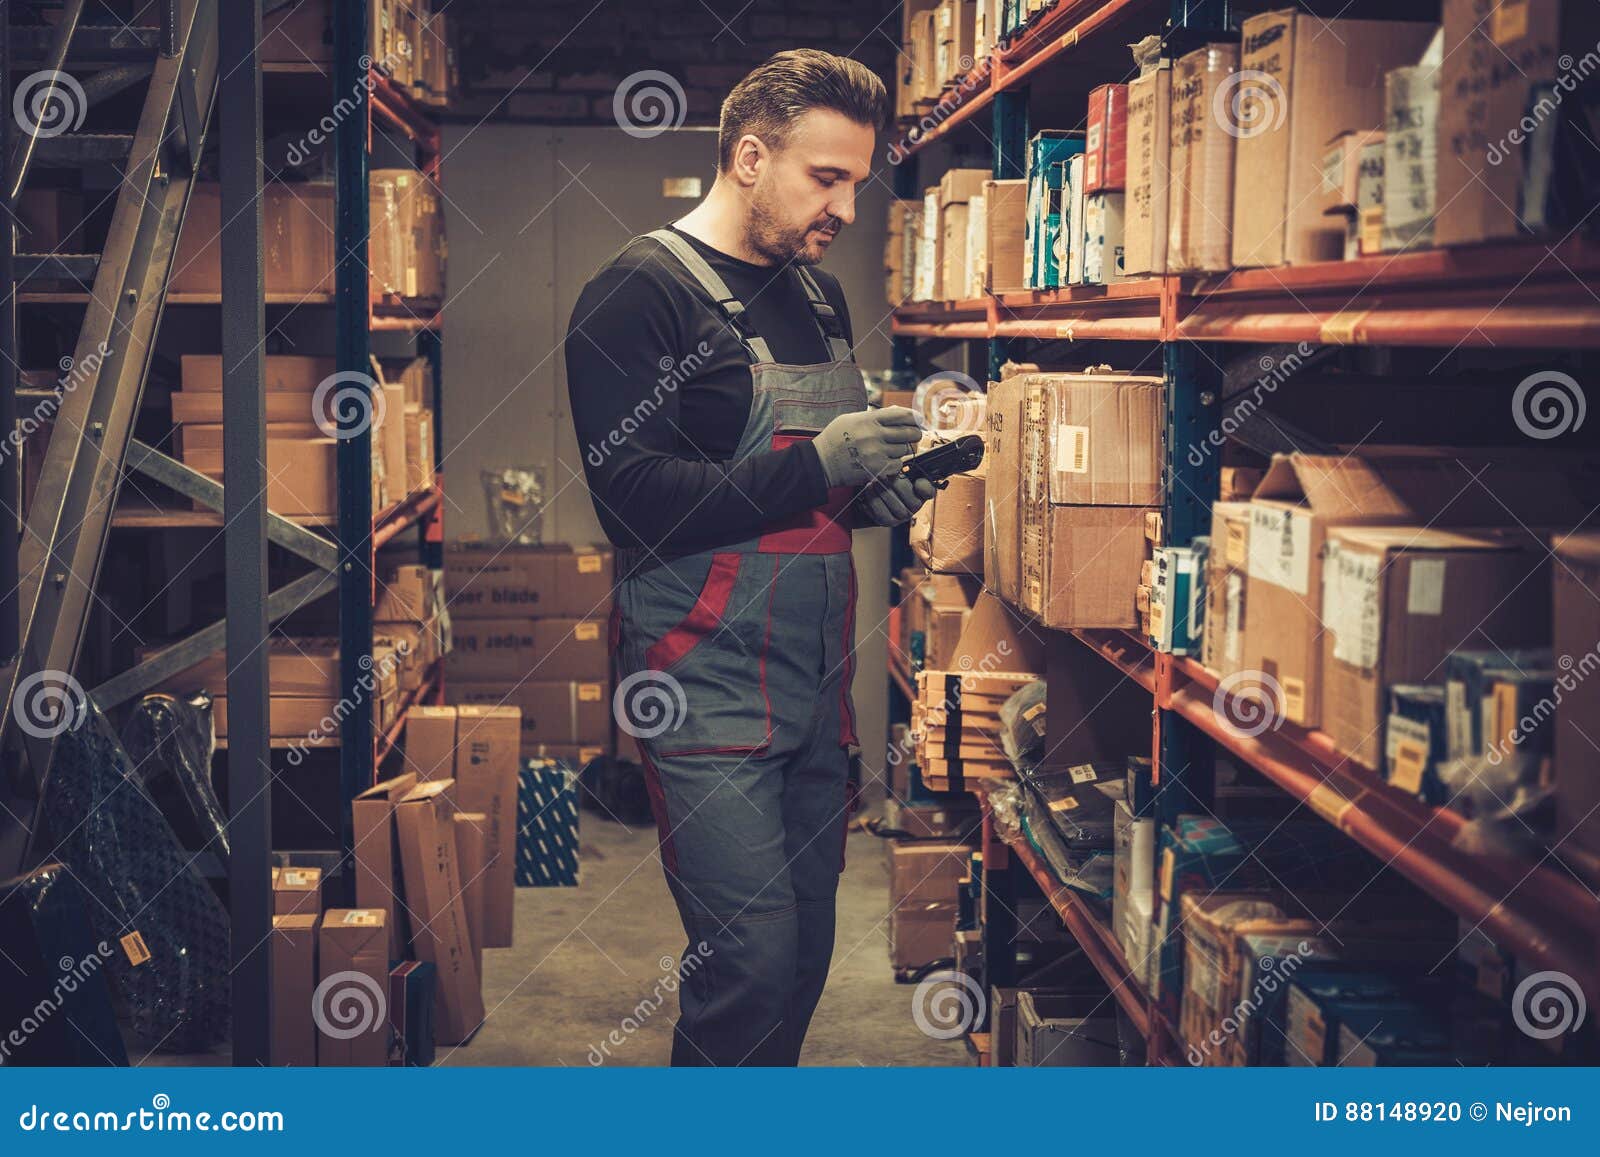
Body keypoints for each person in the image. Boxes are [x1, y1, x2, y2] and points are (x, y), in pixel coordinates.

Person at [564, 48, 934, 1066]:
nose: (846, 208)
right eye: (827, 179)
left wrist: (867, 493)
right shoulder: (636, 293)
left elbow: (793, 497)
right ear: (749, 156)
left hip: (816, 687)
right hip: (703, 682)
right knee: (750, 958)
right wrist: (818, 463)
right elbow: (629, 500)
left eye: (857, 183)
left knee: (807, 950)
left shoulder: (813, 297)